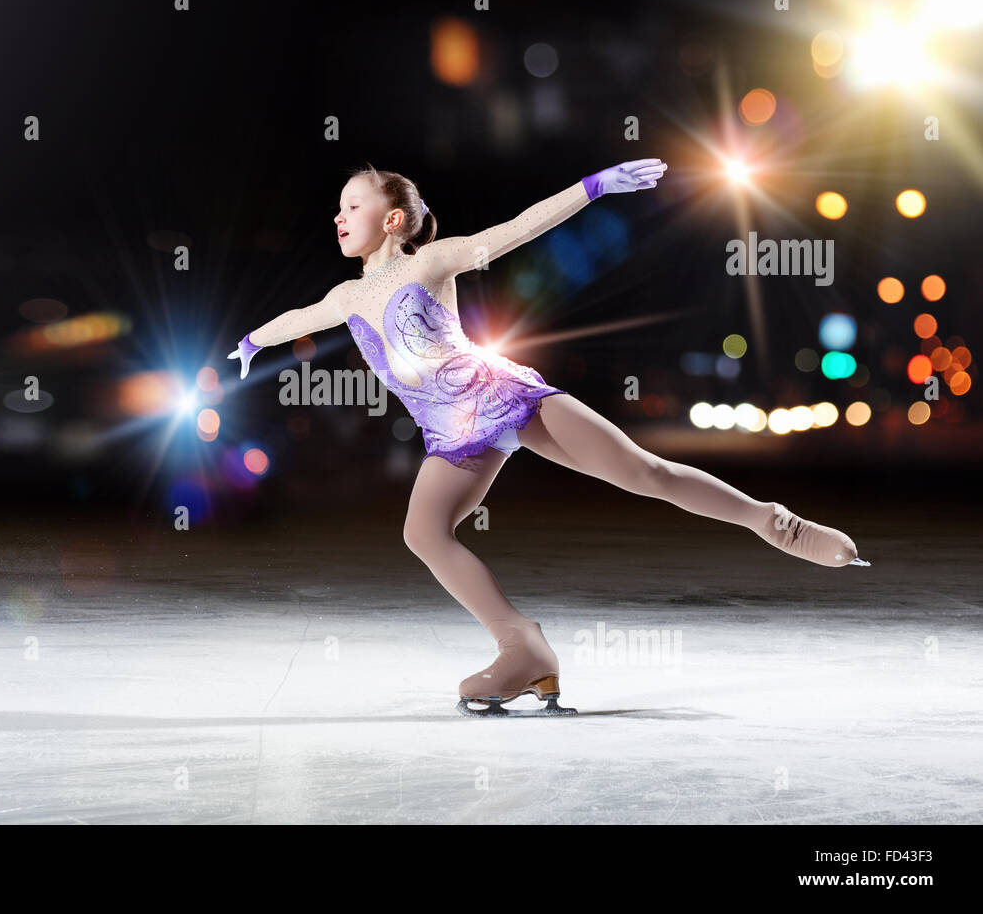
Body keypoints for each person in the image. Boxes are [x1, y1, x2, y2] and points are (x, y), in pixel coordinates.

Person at [229, 160, 866, 716]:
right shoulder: (346, 296)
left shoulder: (433, 260)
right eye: (337, 208)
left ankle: (771, 522)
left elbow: (518, 229)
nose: (338, 217)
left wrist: (593, 187)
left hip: (499, 395)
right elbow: (299, 318)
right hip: (449, 433)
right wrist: (253, 341)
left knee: (644, 473)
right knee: (422, 532)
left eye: (352, 205)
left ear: (393, 219)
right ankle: (521, 646)